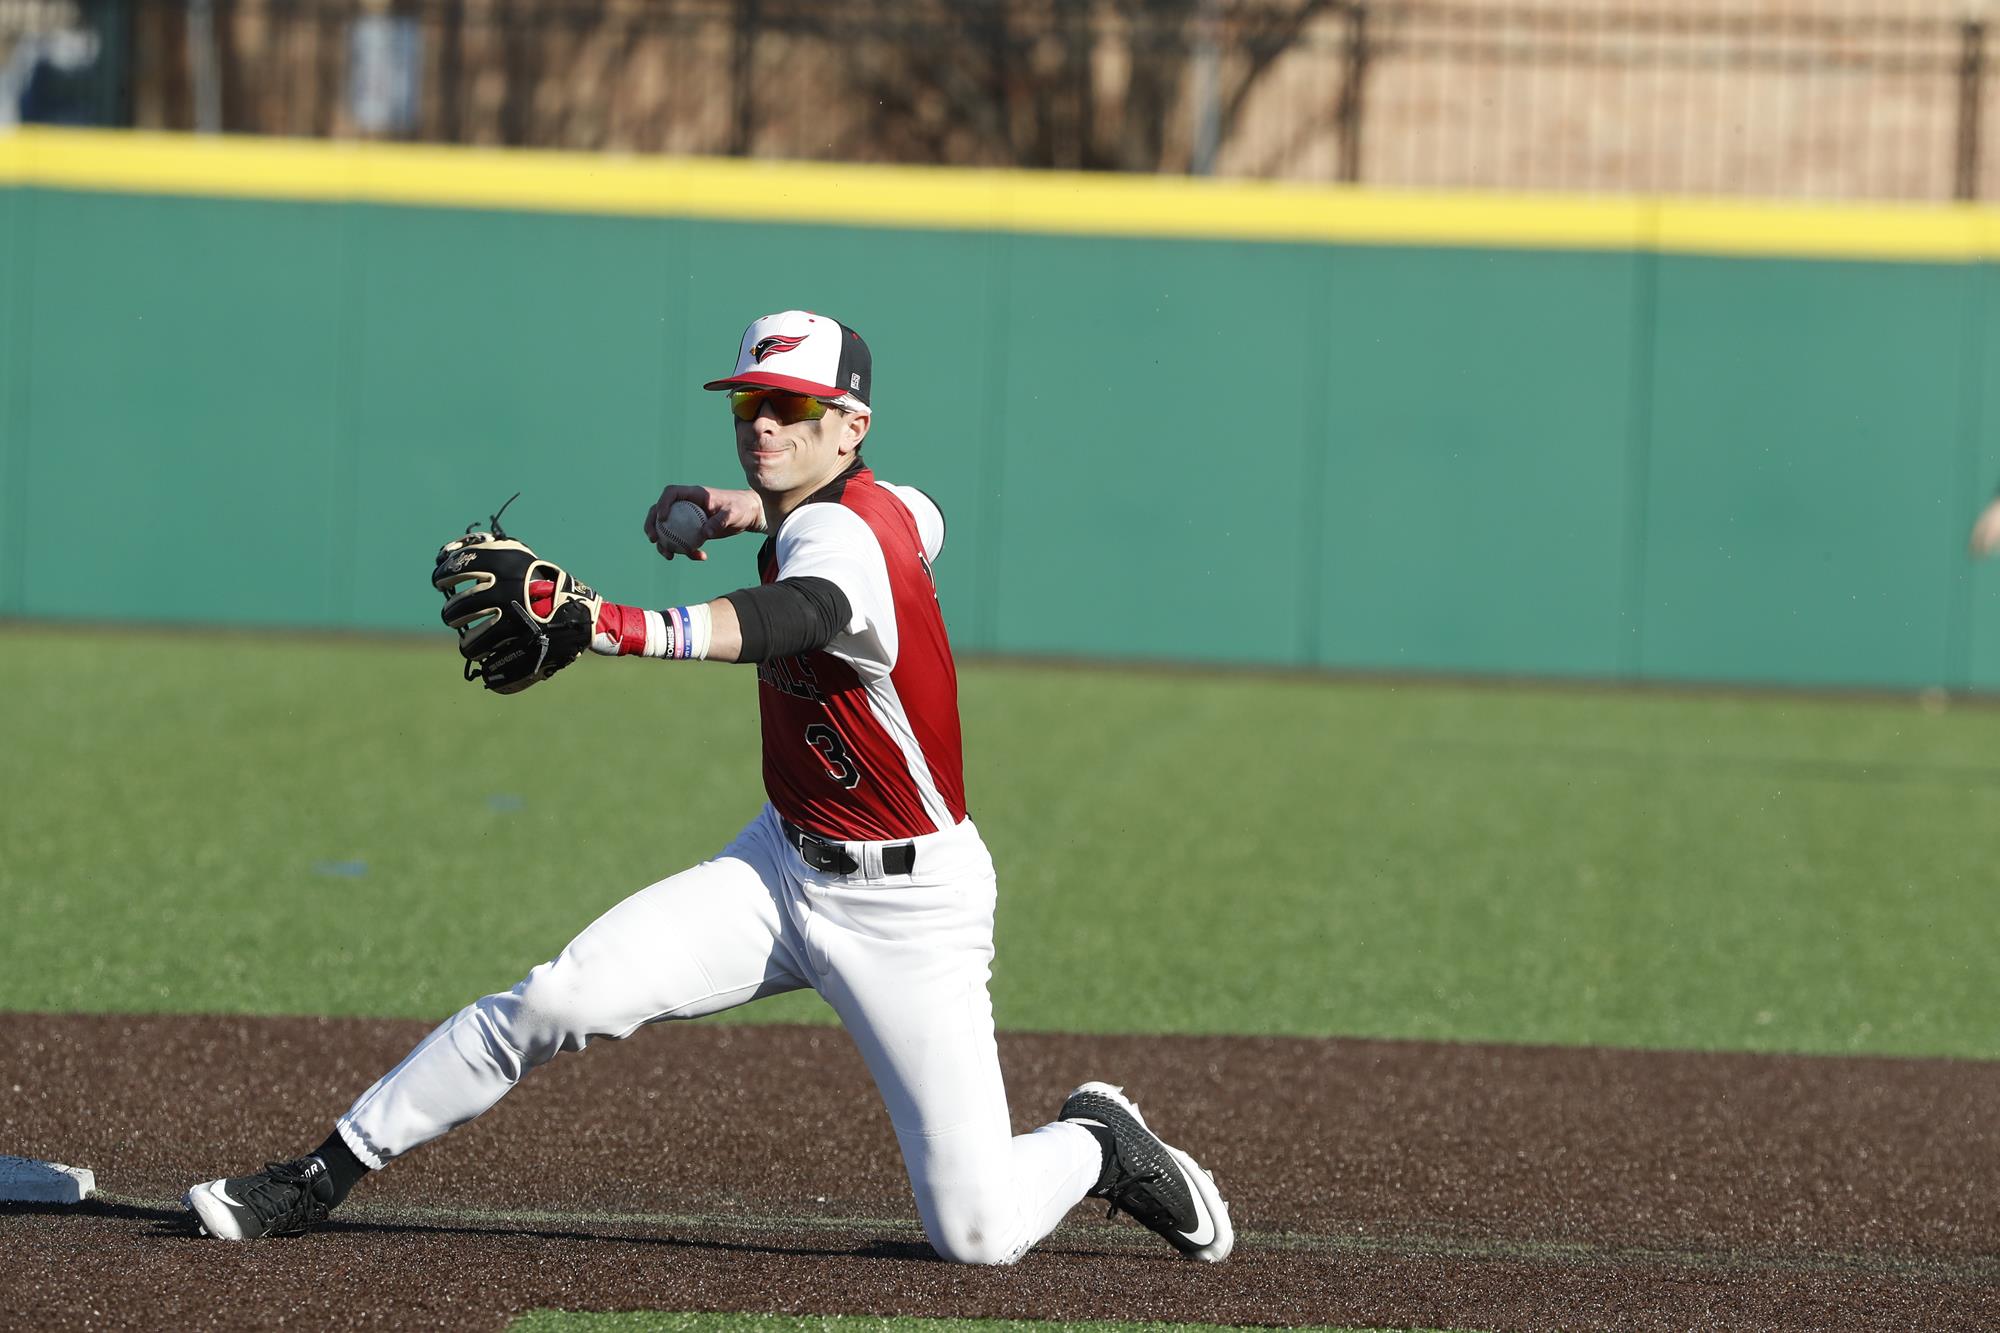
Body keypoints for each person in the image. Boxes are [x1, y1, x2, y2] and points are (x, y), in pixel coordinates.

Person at [181, 310, 1234, 1266]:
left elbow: (796, 615)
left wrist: (609, 623)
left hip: (909, 908)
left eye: (791, 408)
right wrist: (743, 507)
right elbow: (927, 510)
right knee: (557, 997)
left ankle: (1094, 1140)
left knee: (977, 1234)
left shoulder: (847, 546)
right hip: (780, 867)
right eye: (750, 403)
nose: (761, 422)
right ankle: (318, 1175)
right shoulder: (878, 507)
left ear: (847, 424)